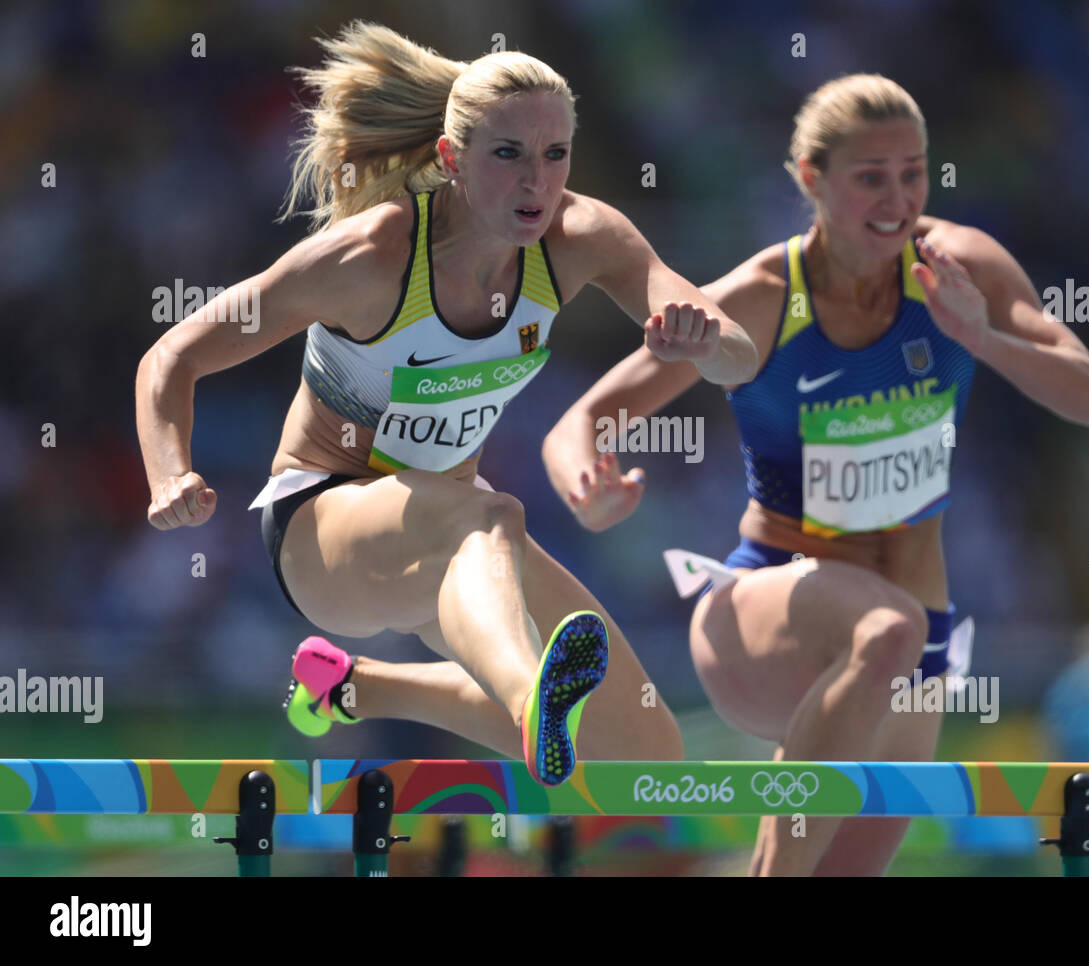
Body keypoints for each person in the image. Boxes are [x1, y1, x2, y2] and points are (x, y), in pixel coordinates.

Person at [134, 21, 758, 787]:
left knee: (642, 753)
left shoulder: (583, 237)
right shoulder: (369, 258)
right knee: (495, 515)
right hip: (322, 529)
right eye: (509, 156)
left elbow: (738, 351)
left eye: (555, 155)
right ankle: (533, 699)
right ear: (451, 159)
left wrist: (704, 337)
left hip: (455, 541)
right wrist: (169, 473)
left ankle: (353, 686)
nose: (538, 182)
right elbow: (174, 355)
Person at [543, 74, 1089, 869]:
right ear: (812, 178)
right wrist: (588, 487)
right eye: (870, 178)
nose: (898, 199)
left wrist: (981, 335)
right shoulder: (763, 295)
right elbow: (581, 421)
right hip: (763, 619)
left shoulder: (961, 267)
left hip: (916, 650)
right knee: (886, 628)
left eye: (913, 173)